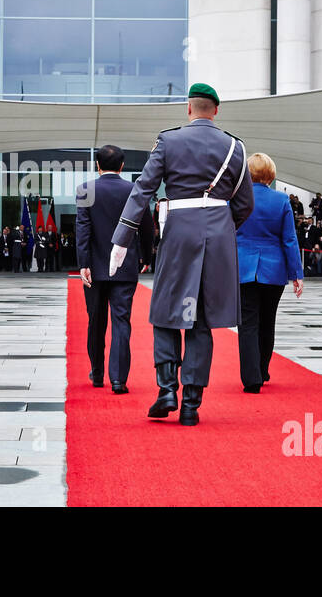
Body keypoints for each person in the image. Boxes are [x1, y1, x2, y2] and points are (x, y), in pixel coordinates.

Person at [109, 83, 254, 426]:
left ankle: (166, 389)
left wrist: (122, 239)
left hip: (178, 231)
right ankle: (191, 403)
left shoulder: (169, 141)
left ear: (189, 109)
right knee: (202, 319)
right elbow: (245, 204)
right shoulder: (236, 147)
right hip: (217, 234)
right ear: (215, 111)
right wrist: (218, 224)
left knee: (166, 310)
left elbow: (143, 189)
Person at [75, 145, 154, 394]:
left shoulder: (86, 189)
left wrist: (83, 263)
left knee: (95, 321)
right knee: (121, 321)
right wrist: (145, 255)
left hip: (96, 268)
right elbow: (146, 226)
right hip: (125, 265)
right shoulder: (133, 190)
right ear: (122, 166)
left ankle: (97, 373)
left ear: (97, 166)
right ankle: (119, 379)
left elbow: (83, 229)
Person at [235, 153, 303, 394]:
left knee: (248, 324)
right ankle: (262, 369)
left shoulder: (236, 200)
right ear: (271, 174)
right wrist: (297, 273)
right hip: (274, 269)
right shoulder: (281, 200)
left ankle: (251, 377)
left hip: (243, 267)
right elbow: (289, 239)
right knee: (268, 321)